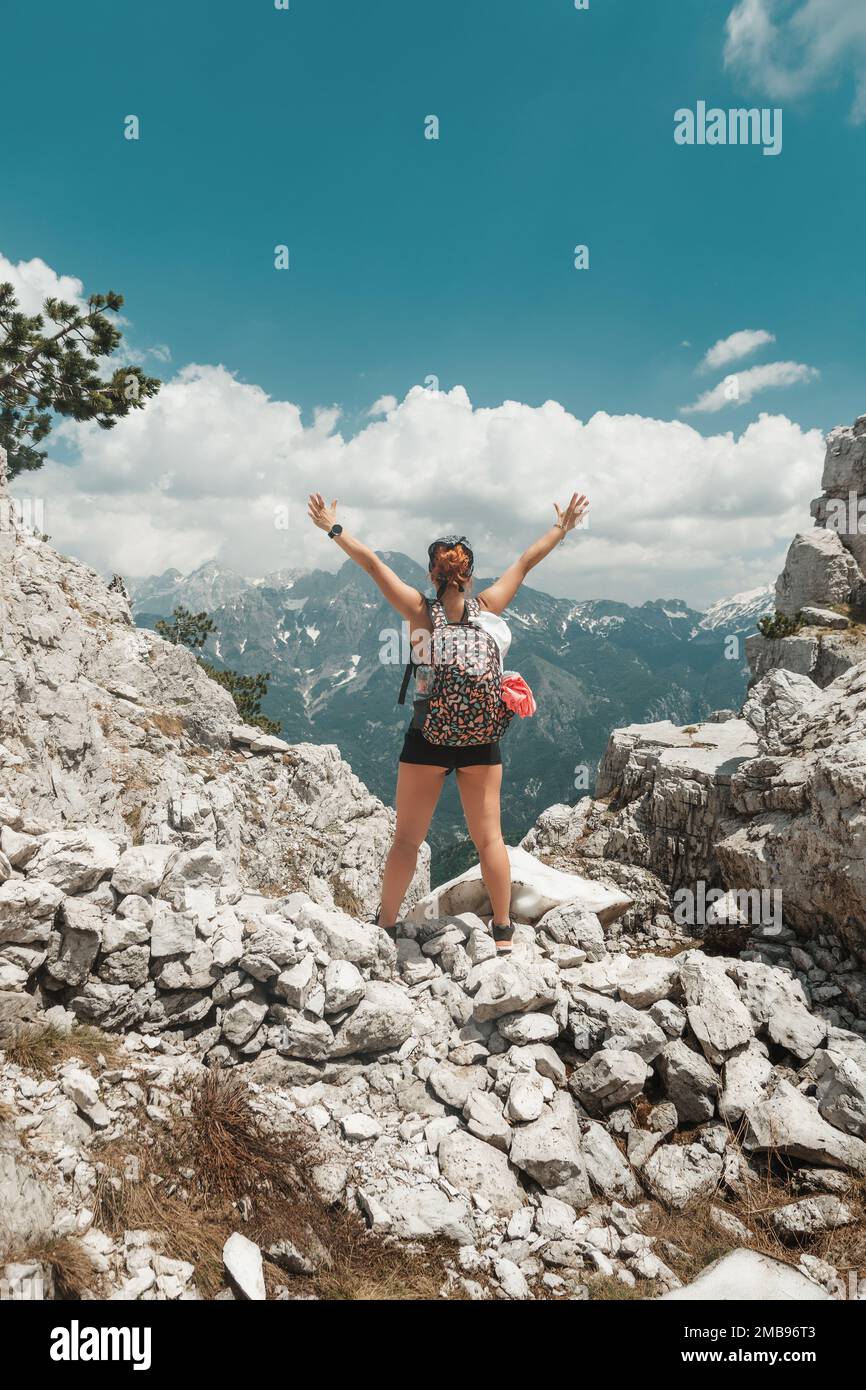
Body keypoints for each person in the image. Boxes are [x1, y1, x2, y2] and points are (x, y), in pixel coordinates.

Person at [306, 491, 589, 951]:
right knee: (490, 839)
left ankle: (387, 927)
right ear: (470, 575)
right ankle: (501, 932)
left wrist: (332, 528)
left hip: (427, 741)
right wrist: (562, 527)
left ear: (432, 576)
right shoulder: (489, 608)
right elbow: (525, 562)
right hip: (481, 741)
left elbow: (374, 566)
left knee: (406, 842)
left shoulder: (420, 612)